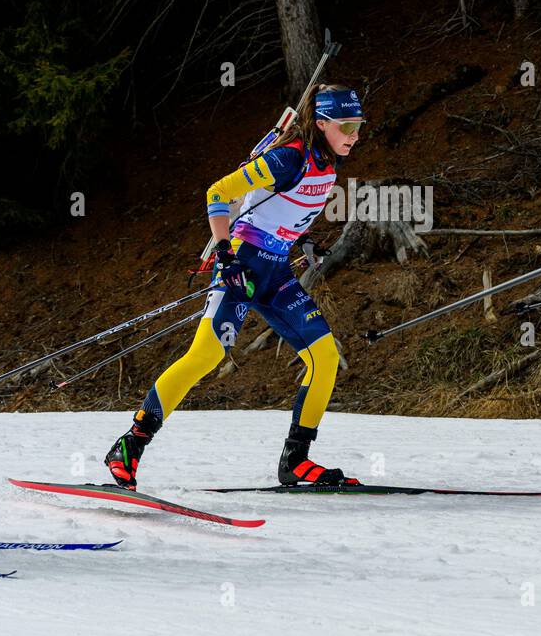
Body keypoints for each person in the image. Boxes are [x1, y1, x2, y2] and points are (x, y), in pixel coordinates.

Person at [105, 85, 364, 489]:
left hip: (277, 272)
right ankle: (130, 445)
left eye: (359, 126)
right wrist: (225, 255)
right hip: (243, 263)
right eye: (347, 126)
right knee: (207, 353)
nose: (354, 134)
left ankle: (295, 461)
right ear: (322, 123)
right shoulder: (286, 158)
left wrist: (305, 240)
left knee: (324, 356)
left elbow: (290, 209)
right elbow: (218, 193)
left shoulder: (328, 161)